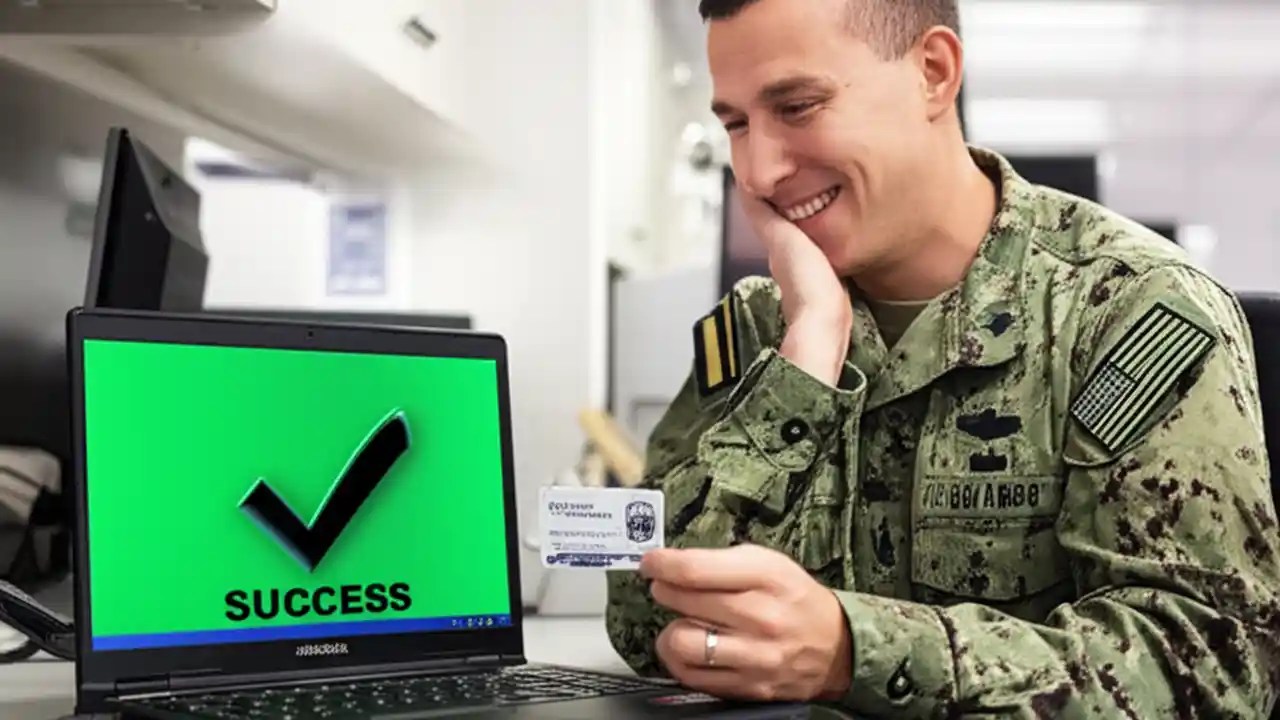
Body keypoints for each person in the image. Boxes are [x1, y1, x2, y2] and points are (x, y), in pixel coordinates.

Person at [604, 0, 1280, 717]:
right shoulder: (760, 329)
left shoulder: (1129, 310)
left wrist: (853, 651)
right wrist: (801, 366)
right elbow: (642, 622)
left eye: (797, 106)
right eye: (735, 124)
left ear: (933, 72)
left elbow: (1209, 665)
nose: (761, 170)